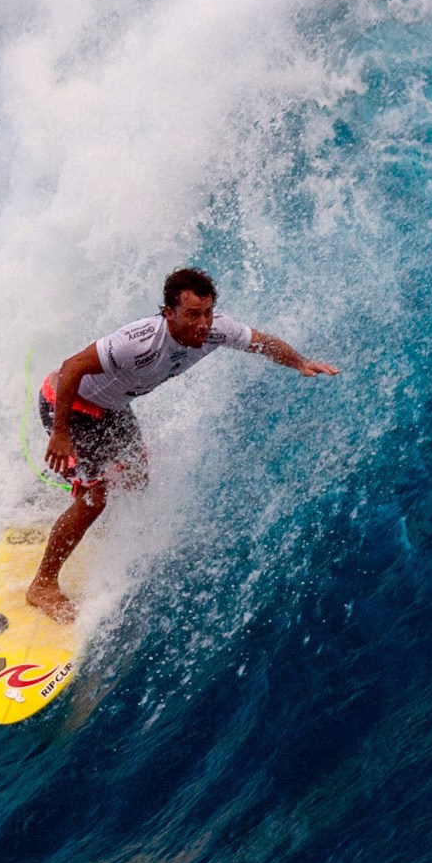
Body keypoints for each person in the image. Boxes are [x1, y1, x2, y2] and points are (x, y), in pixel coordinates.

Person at [28, 266, 338, 622]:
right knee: (94, 499)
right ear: (169, 314)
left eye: (207, 312)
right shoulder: (139, 341)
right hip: (69, 406)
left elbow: (263, 342)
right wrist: (61, 434)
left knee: (137, 476)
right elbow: (71, 367)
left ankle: (79, 498)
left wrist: (300, 362)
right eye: (192, 315)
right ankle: (43, 584)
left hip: (112, 408)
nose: (203, 323)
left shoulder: (216, 330)